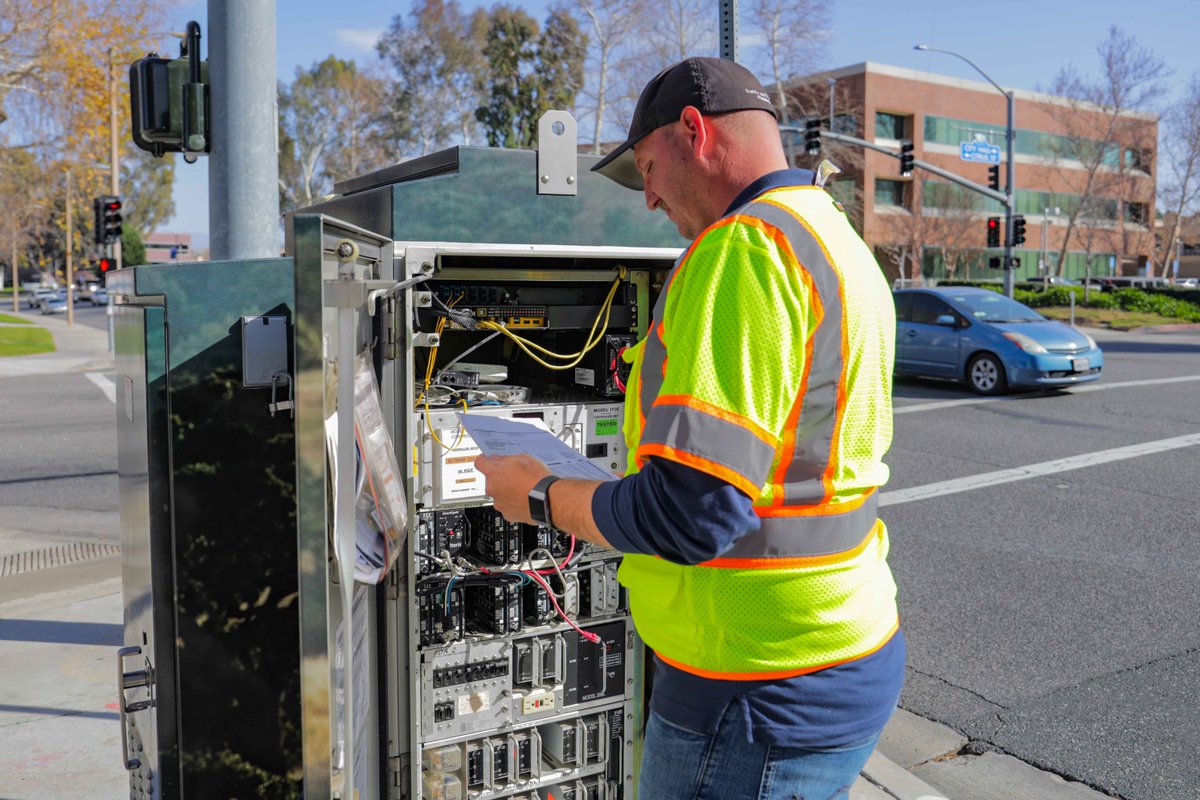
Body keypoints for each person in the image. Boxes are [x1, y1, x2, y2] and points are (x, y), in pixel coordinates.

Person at [476, 56, 904, 800]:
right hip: (840, 652)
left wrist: (540, 495)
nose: (646, 199)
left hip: (751, 690)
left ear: (695, 132)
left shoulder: (741, 252)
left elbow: (691, 514)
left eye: (646, 168)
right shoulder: (832, 238)